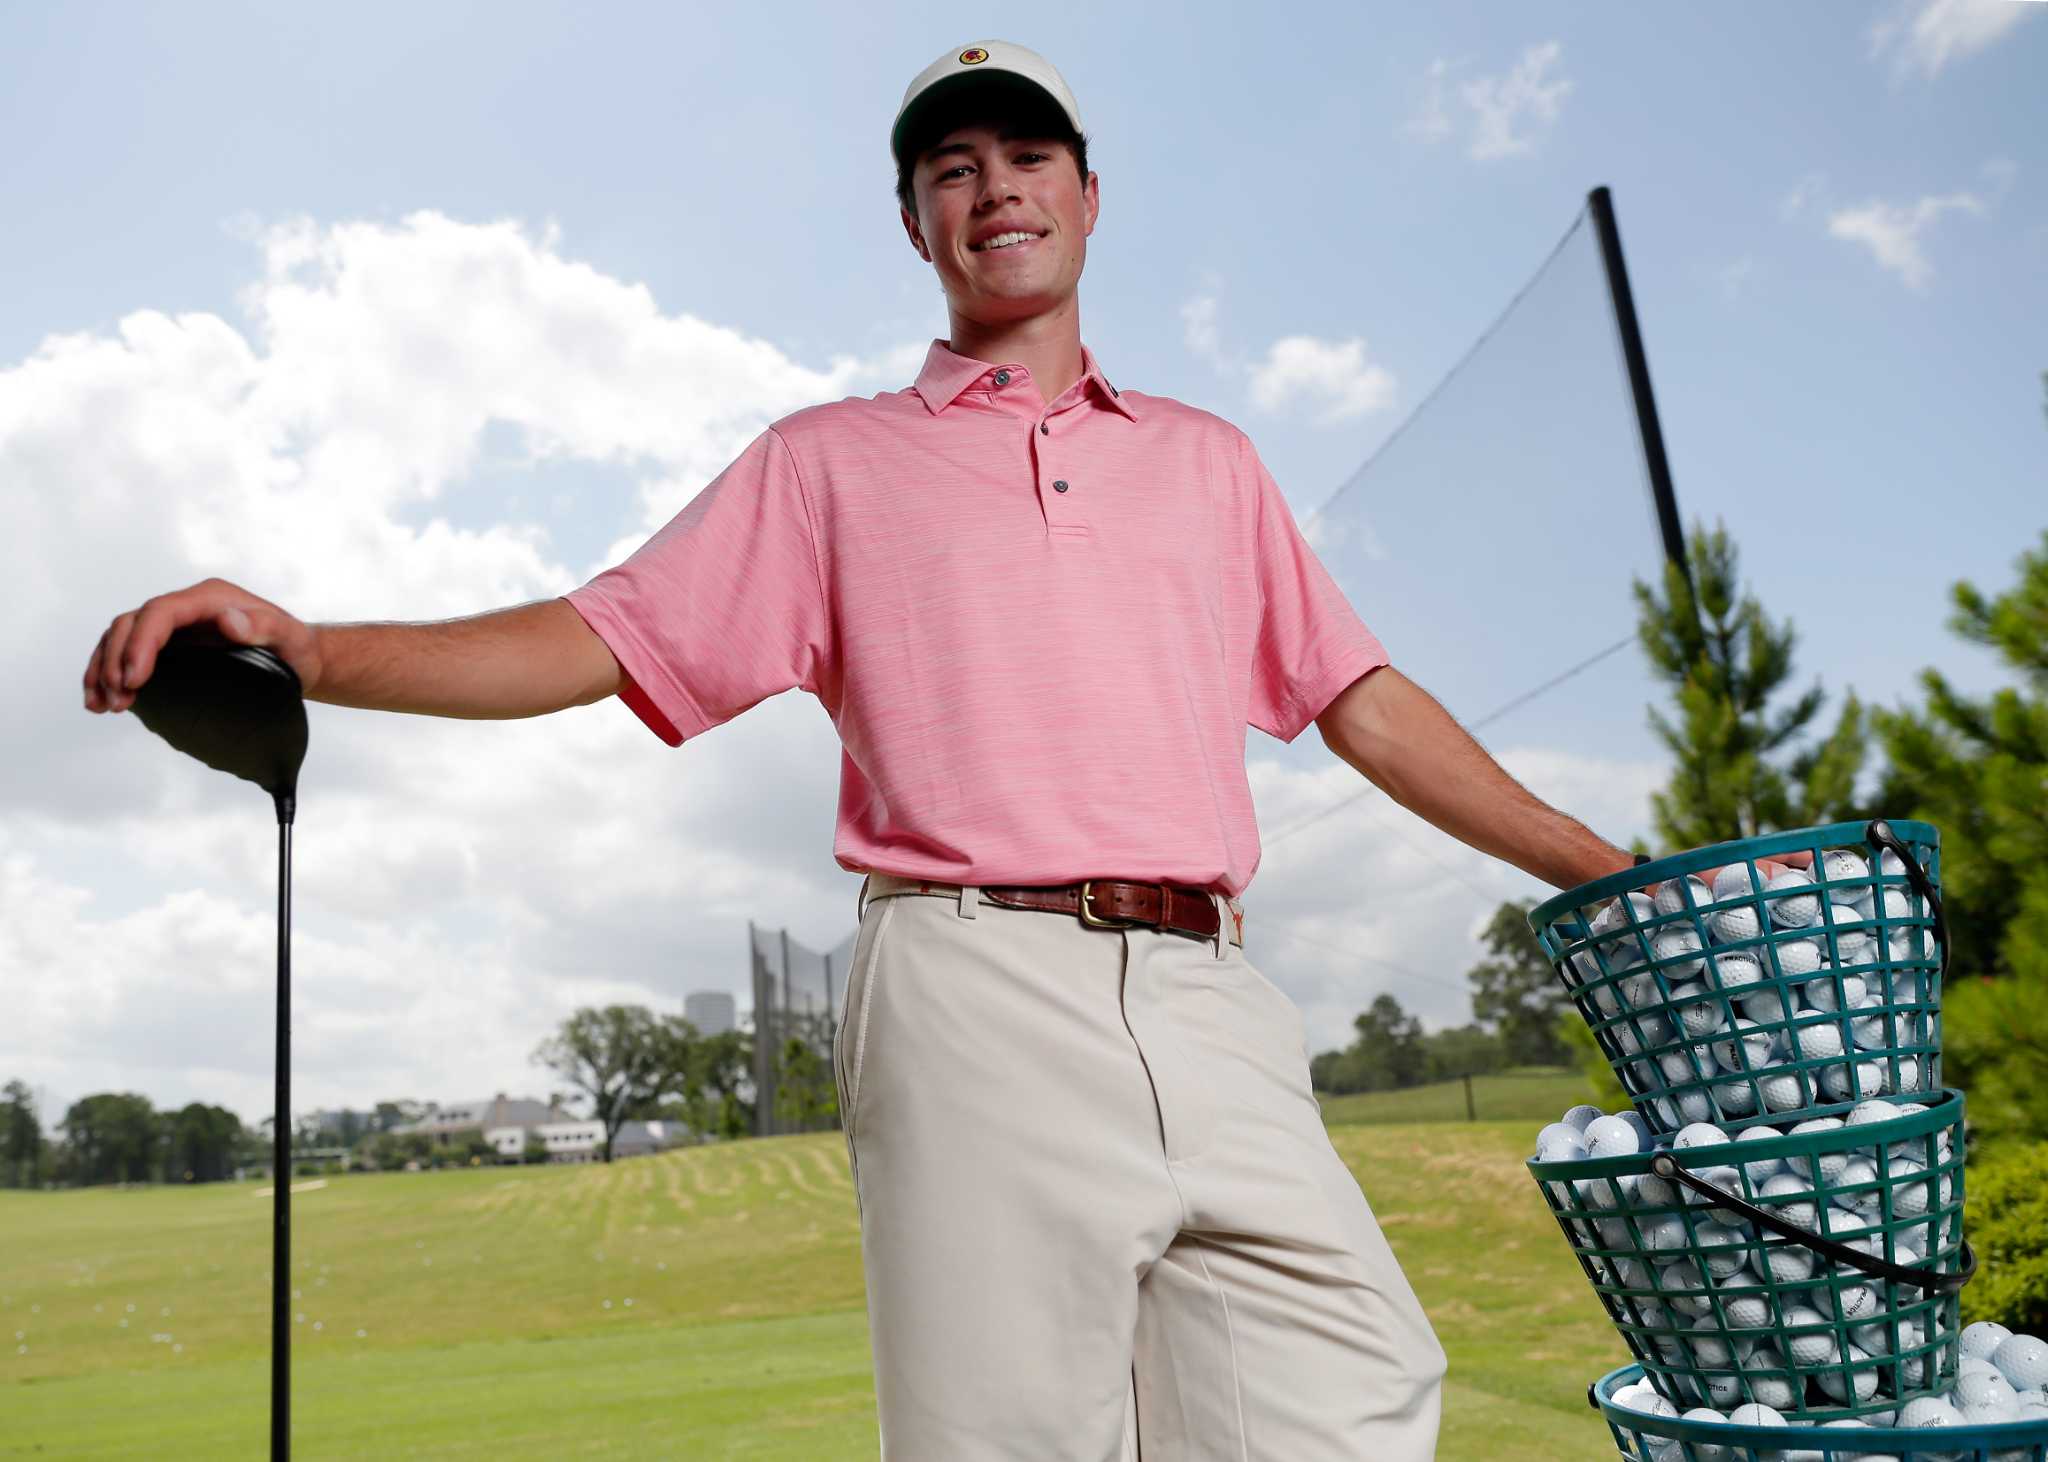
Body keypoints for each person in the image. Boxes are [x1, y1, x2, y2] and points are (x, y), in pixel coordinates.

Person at [82, 39, 1648, 1461]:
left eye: (1025, 158)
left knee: (1354, 1382)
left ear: (1090, 199)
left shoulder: (1208, 461)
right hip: (976, 987)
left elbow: (1361, 699)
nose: (994, 190)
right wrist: (314, 646)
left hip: (1216, 992)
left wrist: (1618, 875)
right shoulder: (828, 464)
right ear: (919, 226)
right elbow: (592, 636)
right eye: (951, 168)